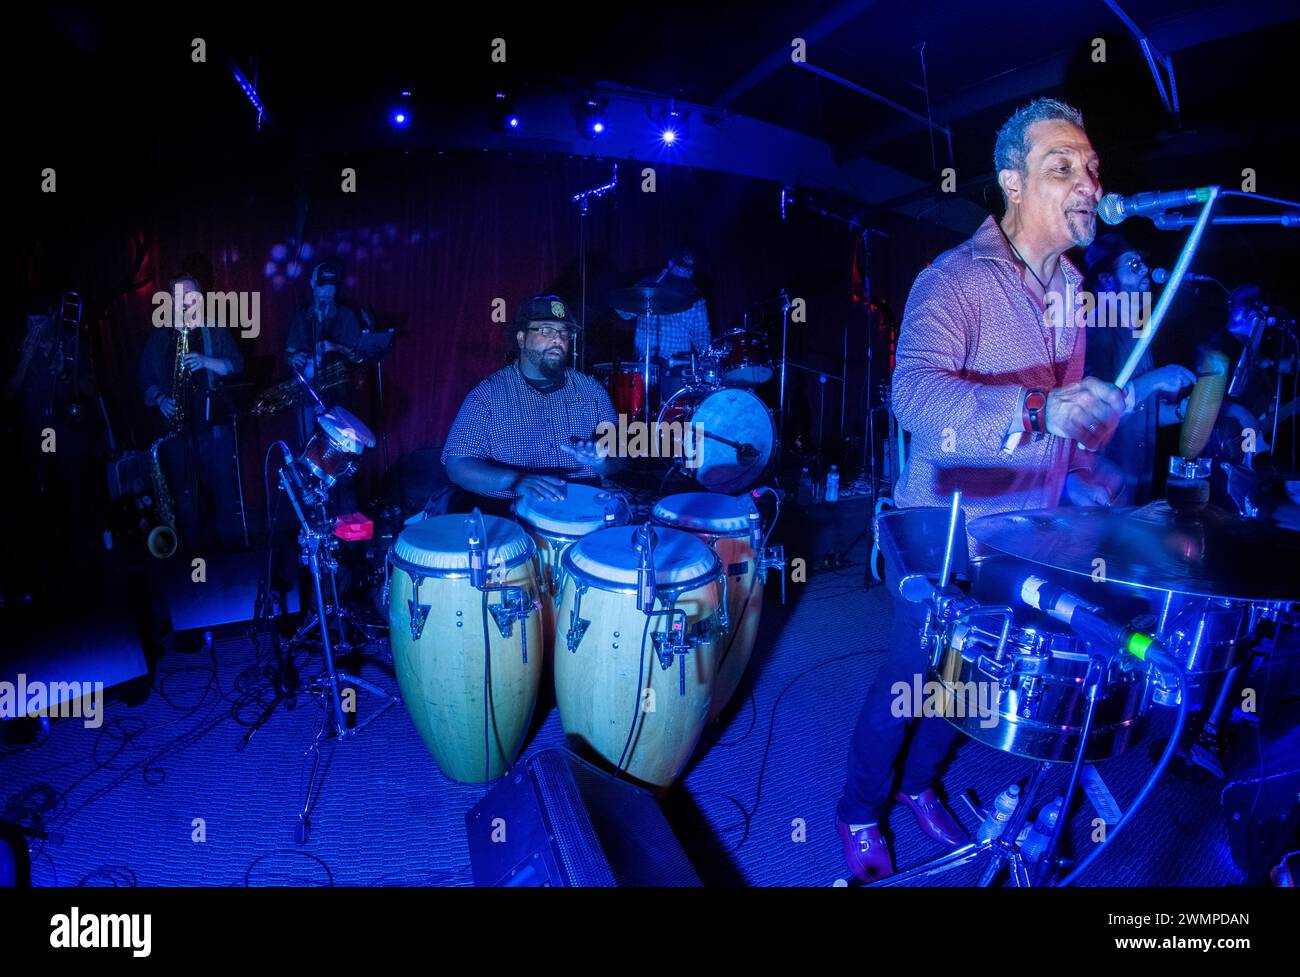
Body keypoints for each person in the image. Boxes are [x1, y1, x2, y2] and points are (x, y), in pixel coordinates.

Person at [836, 98, 1126, 882]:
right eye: (1062, 167)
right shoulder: (952, 279)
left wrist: (1089, 471)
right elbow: (917, 400)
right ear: (1011, 183)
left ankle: (922, 784)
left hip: (1024, 530)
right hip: (942, 524)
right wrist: (1038, 408)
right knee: (911, 678)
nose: (1089, 184)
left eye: (1092, 168)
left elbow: (1061, 420)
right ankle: (860, 807)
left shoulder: (1075, 288)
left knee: (973, 682)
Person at [442, 294, 620, 515]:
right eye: (546, 330)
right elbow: (457, 464)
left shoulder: (591, 390)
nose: (558, 339)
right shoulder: (487, 395)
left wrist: (601, 462)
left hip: (582, 513)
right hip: (509, 516)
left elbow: (618, 459)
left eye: (564, 332)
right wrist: (515, 480)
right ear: (521, 338)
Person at [1081, 233, 1195, 505]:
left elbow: (1139, 414)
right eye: (1133, 264)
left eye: (1142, 262)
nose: (1145, 268)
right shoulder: (1096, 327)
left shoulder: (1139, 333)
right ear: (1107, 280)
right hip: (1099, 488)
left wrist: (1179, 412)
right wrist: (1156, 378)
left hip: (1134, 486)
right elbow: (1093, 408)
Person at [137, 272, 245, 553]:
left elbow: (237, 365)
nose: (186, 302)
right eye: (179, 297)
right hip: (176, 430)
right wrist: (159, 399)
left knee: (224, 494)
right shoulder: (159, 337)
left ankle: (233, 563)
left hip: (214, 428)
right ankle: (194, 563)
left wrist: (207, 361)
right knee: (185, 500)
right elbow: (145, 380)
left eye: (191, 296)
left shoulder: (216, 329)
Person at [285, 261, 363, 447]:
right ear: (312, 283)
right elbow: (288, 354)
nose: (327, 292)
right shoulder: (302, 316)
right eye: (322, 286)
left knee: (342, 447)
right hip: (308, 395)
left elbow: (359, 356)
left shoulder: (346, 315)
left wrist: (335, 347)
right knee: (308, 446)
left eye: (331, 287)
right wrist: (292, 358)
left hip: (339, 395)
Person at [616, 247, 711, 399]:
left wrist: (707, 361)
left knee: (674, 414)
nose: (687, 272)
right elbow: (623, 313)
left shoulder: (695, 297)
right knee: (642, 411)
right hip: (645, 361)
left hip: (677, 365)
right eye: (683, 266)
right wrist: (640, 293)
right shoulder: (648, 286)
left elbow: (701, 334)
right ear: (670, 262)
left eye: (690, 268)